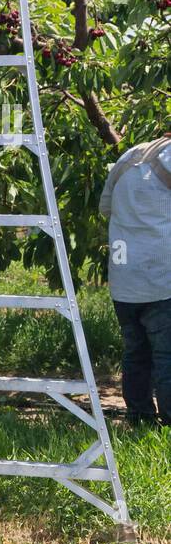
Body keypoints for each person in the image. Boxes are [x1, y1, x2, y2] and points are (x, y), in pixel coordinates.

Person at [100, 135, 171, 426]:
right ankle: (168, 423)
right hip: (161, 278)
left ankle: (139, 418)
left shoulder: (129, 156)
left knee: (136, 353)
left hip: (124, 279)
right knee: (167, 357)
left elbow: (106, 208)